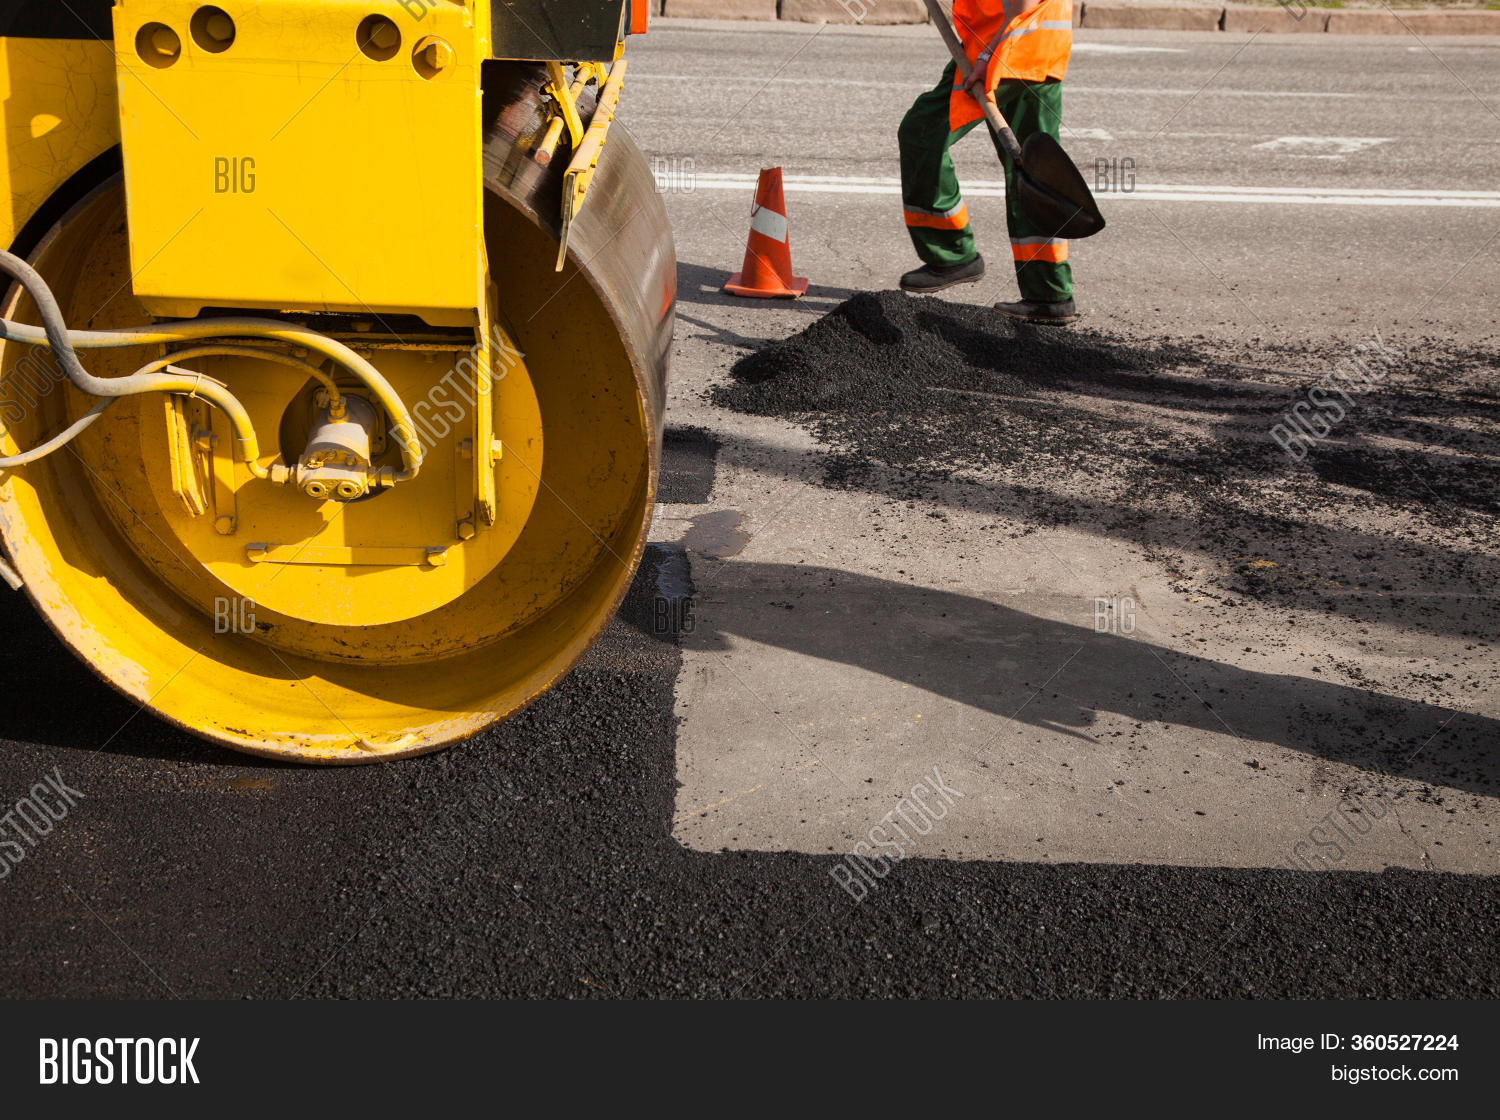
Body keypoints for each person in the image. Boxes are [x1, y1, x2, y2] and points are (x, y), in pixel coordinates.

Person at [898, 0, 1077, 324]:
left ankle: (951, 254)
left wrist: (986, 57)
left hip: (1008, 49)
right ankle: (1049, 293)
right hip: (1033, 47)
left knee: (923, 133)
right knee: (1030, 169)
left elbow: (1023, 3)